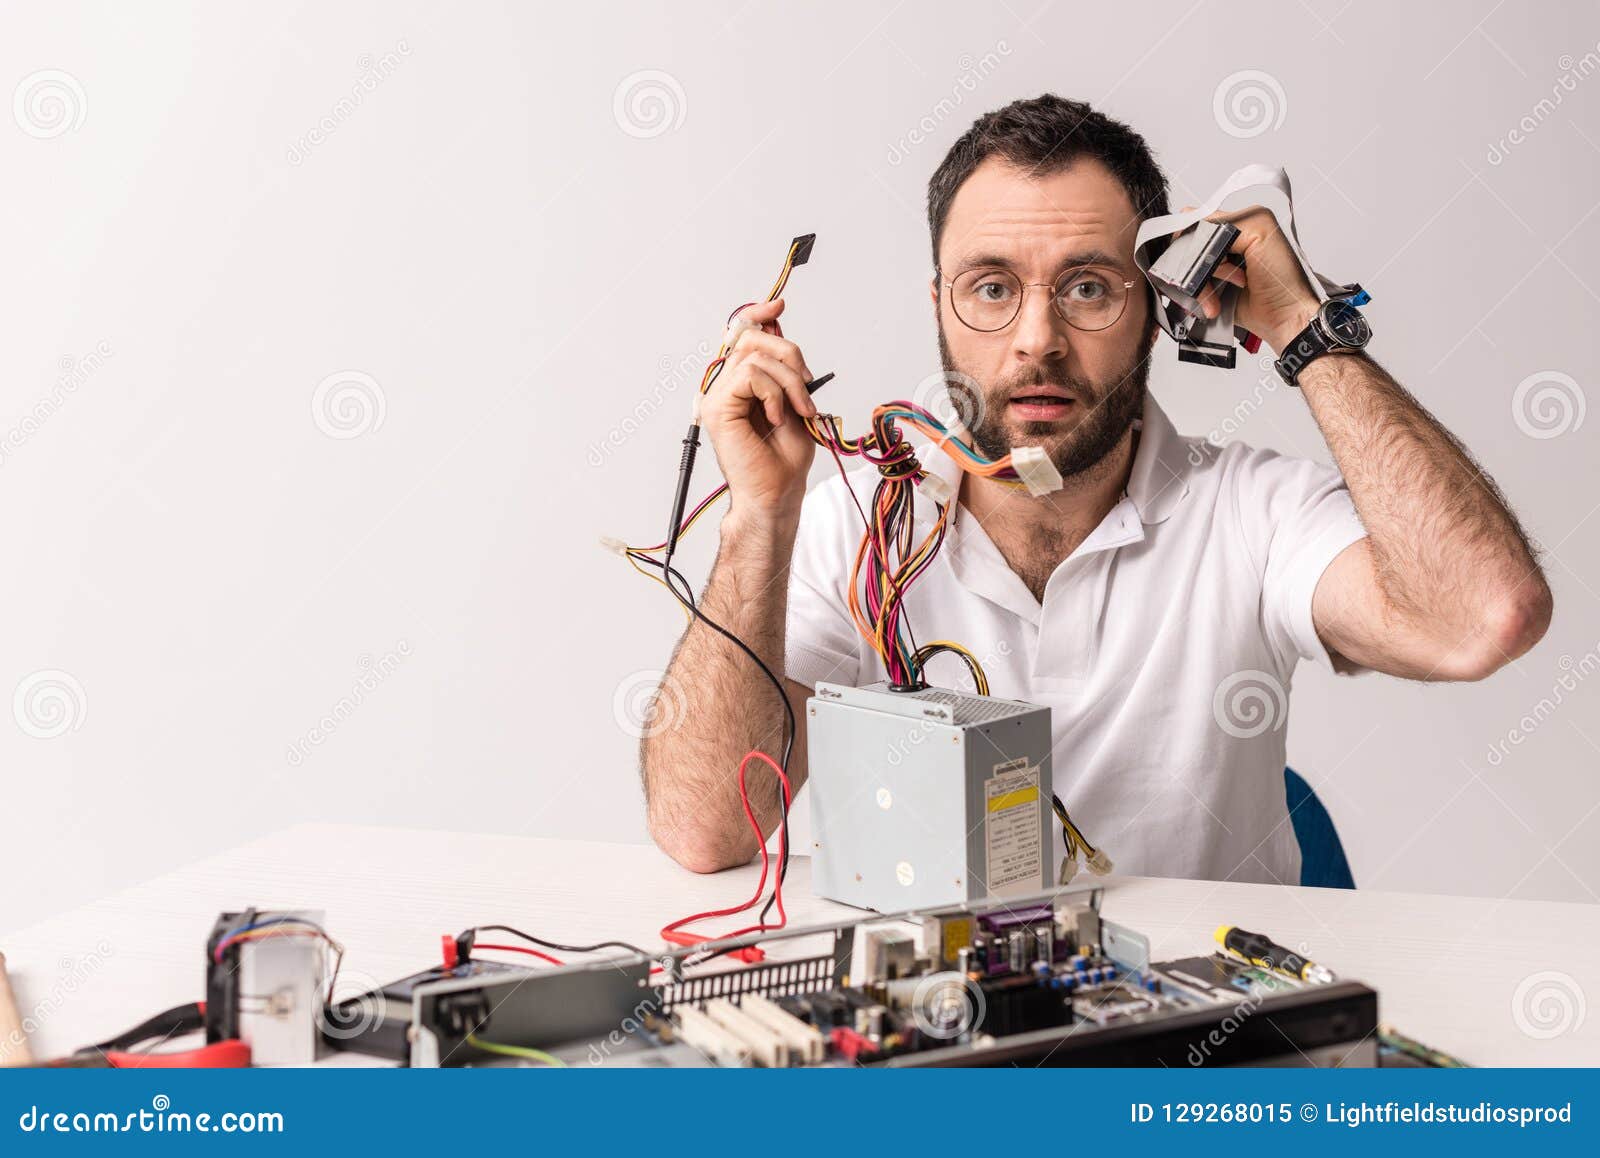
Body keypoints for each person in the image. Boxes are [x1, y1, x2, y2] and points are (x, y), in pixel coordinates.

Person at [639, 94, 1552, 886]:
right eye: (991, 287)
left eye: (1087, 287)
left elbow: (1480, 620)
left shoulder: (1250, 515)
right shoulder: (855, 523)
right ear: (938, 307)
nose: (1036, 338)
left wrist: (1301, 326)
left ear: (1159, 300)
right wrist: (761, 515)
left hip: (1191, 1064)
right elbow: (706, 828)